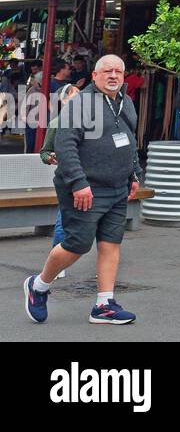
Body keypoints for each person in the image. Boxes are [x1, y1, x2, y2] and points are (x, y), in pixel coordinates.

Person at [23, 55, 142, 326]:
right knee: (77, 243)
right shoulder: (81, 103)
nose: (113, 75)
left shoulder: (126, 103)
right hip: (85, 188)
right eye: (107, 71)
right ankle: (38, 286)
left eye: (118, 71)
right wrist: (79, 183)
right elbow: (65, 146)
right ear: (95, 75)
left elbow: (130, 140)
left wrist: (135, 174)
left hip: (116, 187)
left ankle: (104, 304)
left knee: (111, 243)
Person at [38, 83, 81, 279]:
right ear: (63, 101)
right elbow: (44, 152)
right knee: (63, 220)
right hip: (68, 179)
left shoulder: (90, 123)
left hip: (91, 179)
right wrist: (51, 157)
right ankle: (56, 262)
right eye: (73, 97)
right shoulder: (57, 123)